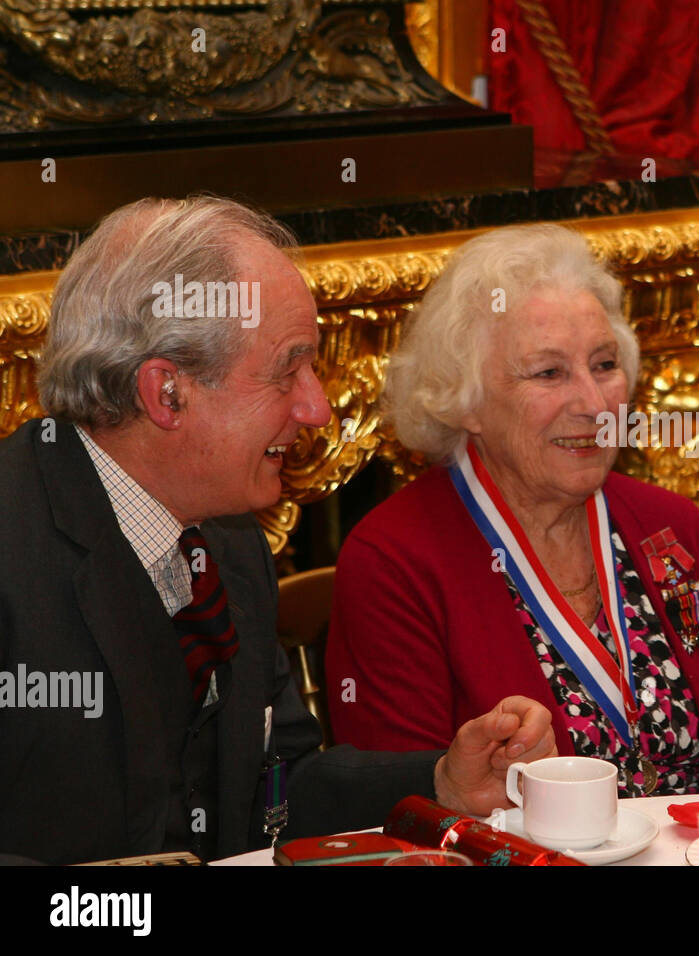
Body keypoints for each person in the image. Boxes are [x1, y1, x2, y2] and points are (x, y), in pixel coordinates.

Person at [0, 197, 556, 866]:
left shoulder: (229, 544)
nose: (317, 406)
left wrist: (439, 782)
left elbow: (279, 796)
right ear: (166, 393)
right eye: (286, 370)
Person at [327, 223, 699, 796]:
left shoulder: (674, 528)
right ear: (467, 399)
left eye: (604, 365)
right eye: (549, 373)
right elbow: (403, 812)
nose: (592, 402)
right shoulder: (394, 562)